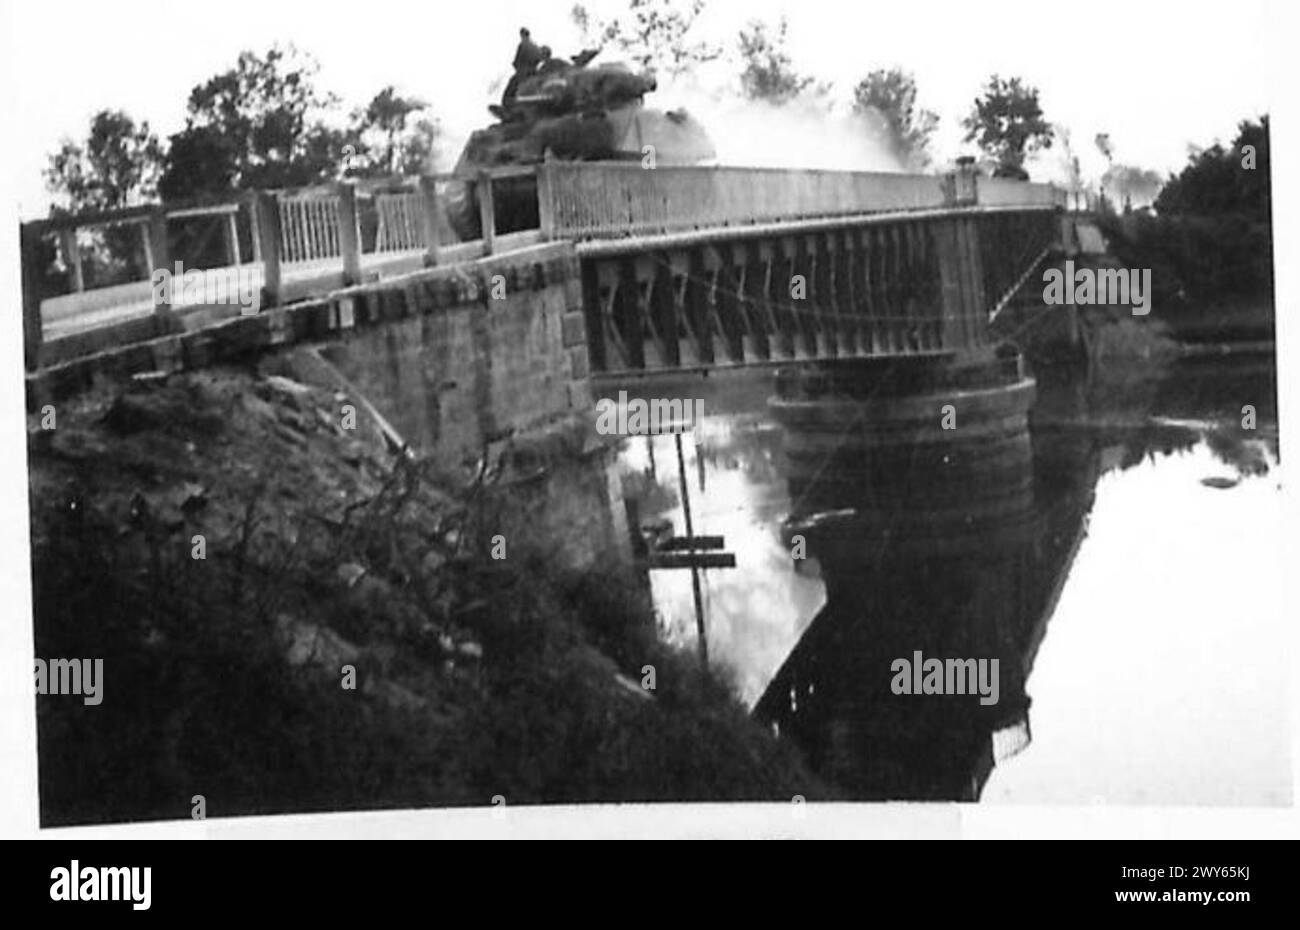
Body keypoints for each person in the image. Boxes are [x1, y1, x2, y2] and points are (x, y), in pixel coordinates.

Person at [502, 28, 543, 104]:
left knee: (512, 85)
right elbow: (540, 58)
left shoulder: (522, 44)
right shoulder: (535, 46)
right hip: (535, 72)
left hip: (523, 71)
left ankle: (507, 104)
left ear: (522, 35)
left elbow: (518, 59)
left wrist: (515, 64)